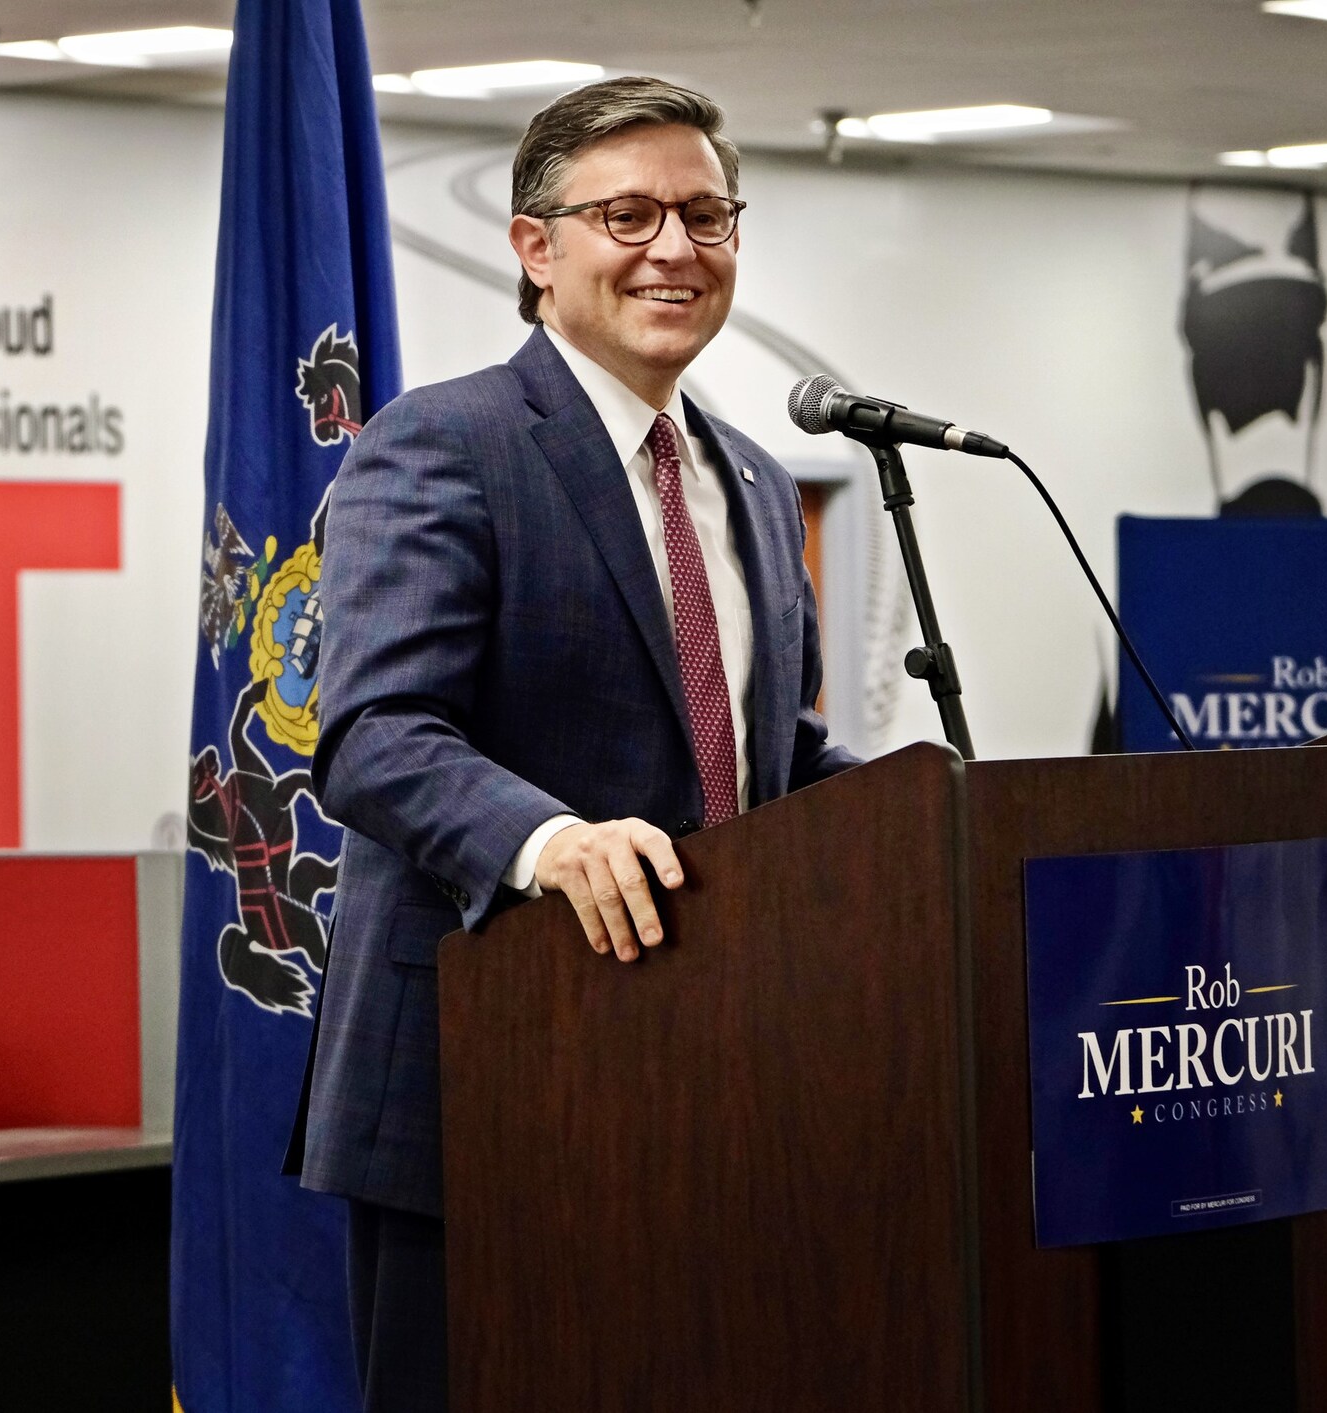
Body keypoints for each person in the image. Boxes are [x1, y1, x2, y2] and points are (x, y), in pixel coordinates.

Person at [296, 76, 862, 1412]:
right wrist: (549, 844)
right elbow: (374, 733)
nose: (676, 248)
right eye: (630, 214)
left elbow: (767, 754)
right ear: (535, 249)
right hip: (489, 1091)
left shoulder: (761, 485)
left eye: (708, 214)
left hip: (721, 1087)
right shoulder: (441, 442)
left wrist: (948, 813)